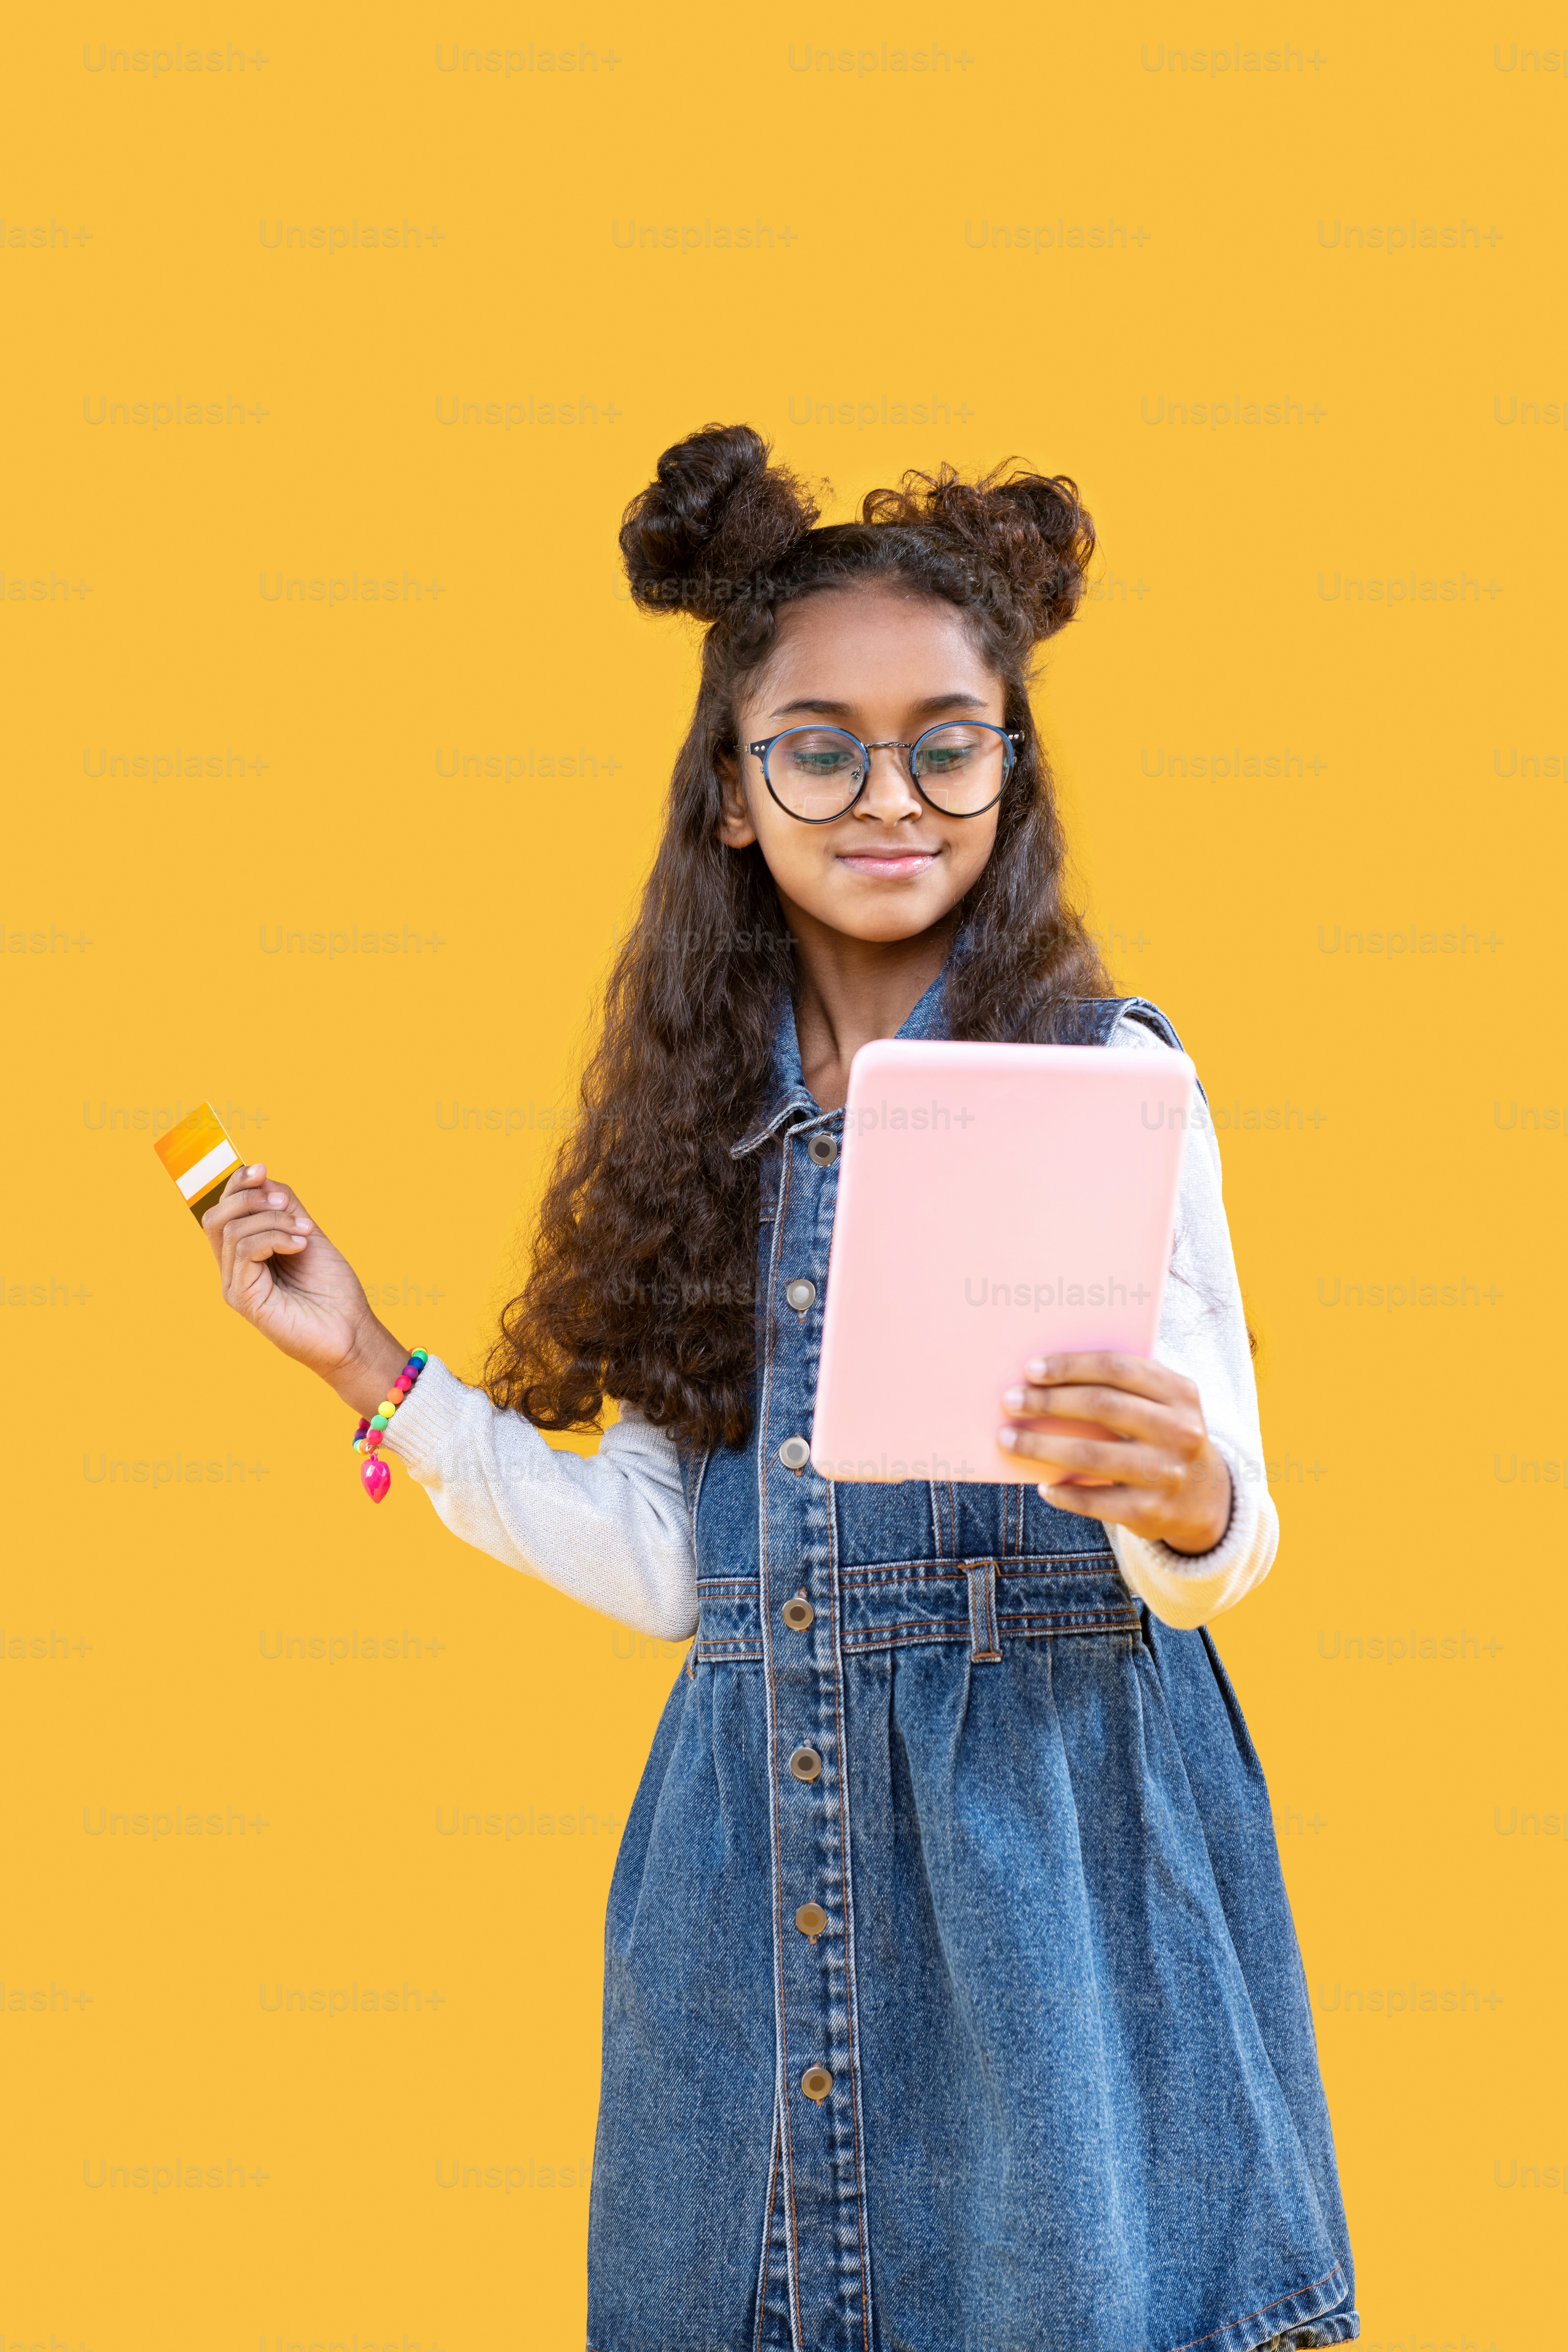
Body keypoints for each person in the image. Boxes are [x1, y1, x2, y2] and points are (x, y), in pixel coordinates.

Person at [201, 424, 1356, 2351]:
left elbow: (1222, 1529)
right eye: (819, 744)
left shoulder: (1107, 1076)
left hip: (1053, 1867)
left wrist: (1190, 1502)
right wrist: (373, 1370)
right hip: (759, 1868)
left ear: (1010, 768)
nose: (886, 793)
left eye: (947, 741)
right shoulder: (700, 1129)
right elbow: (679, 1567)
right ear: (736, 793)